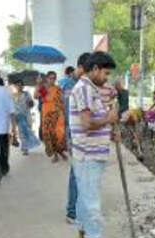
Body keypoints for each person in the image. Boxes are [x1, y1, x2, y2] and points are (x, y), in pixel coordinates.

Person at [69, 51, 119, 238]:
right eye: (106, 73)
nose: (106, 78)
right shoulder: (84, 89)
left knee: (83, 200)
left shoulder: (90, 89)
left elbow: (90, 125)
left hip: (88, 153)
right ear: (96, 68)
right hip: (88, 155)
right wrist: (108, 120)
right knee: (92, 203)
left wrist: (108, 132)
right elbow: (87, 123)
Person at [64, 53, 91, 224]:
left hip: (83, 135)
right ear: (80, 67)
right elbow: (68, 114)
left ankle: (79, 209)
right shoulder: (69, 85)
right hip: (74, 134)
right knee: (76, 174)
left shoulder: (85, 85)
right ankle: (72, 212)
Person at [39, 71, 67, 162]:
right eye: (50, 78)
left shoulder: (58, 88)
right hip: (46, 115)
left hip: (57, 115)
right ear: (47, 78)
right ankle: (55, 154)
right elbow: (36, 96)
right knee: (49, 134)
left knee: (59, 134)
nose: (52, 80)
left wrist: (62, 113)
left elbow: (61, 101)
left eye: (54, 78)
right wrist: (38, 85)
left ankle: (61, 151)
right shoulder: (42, 88)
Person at [8, 77, 40, 156]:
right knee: (22, 132)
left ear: (23, 86)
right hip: (18, 116)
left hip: (27, 116)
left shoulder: (27, 94)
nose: (19, 86)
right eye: (17, 85)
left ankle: (26, 145)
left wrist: (30, 102)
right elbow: (11, 106)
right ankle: (25, 148)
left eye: (21, 85)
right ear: (15, 86)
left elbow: (32, 104)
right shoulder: (13, 95)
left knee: (28, 131)